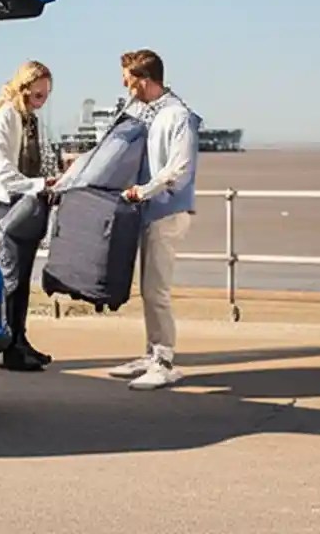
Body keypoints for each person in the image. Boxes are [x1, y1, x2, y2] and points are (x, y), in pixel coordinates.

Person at [108, 49, 201, 390]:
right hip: (151, 212)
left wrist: (143, 191)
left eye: (128, 81)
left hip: (167, 211)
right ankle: (151, 354)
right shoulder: (150, 114)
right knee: (149, 290)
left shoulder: (179, 117)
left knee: (156, 290)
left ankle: (164, 360)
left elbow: (180, 169)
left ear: (144, 81)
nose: (124, 86)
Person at [0, 60, 57, 372]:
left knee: (22, 277)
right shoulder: (3, 121)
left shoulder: (28, 121)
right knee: (11, 278)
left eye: (46, 96)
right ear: (23, 90)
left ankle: (19, 340)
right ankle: (9, 346)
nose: (42, 102)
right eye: (38, 96)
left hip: (24, 200)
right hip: (7, 203)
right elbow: (3, 174)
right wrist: (40, 183)